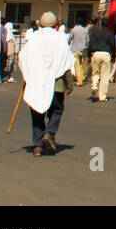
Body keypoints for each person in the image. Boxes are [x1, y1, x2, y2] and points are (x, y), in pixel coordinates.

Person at [17, 12, 75, 157]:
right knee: (56, 110)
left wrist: (27, 75)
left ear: (40, 25)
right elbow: (65, 62)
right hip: (57, 83)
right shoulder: (60, 39)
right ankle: (49, 133)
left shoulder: (33, 39)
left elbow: (23, 58)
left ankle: (37, 146)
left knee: (37, 112)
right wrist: (70, 84)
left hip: (36, 81)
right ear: (56, 25)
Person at [87, 21, 116, 102]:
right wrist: (114, 56)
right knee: (105, 76)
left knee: (95, 72)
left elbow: (90, 44)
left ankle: (94, 86)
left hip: (96, 53)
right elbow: (113, 45)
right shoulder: (110, 33)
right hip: (106, 54)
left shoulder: (95, 33)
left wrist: (89, 55)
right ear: (108, 24)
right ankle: (102, 96)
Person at [68, 21, 89, 87]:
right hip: (83, 49)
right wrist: (86, 46)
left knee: (77, 65)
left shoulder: (73, 30)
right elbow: (88, 40)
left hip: (75, 49)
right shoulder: (85, 30)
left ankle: (80, 81)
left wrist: (68, 44)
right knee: (84, 64)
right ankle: (83, 77)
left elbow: (69, 39)